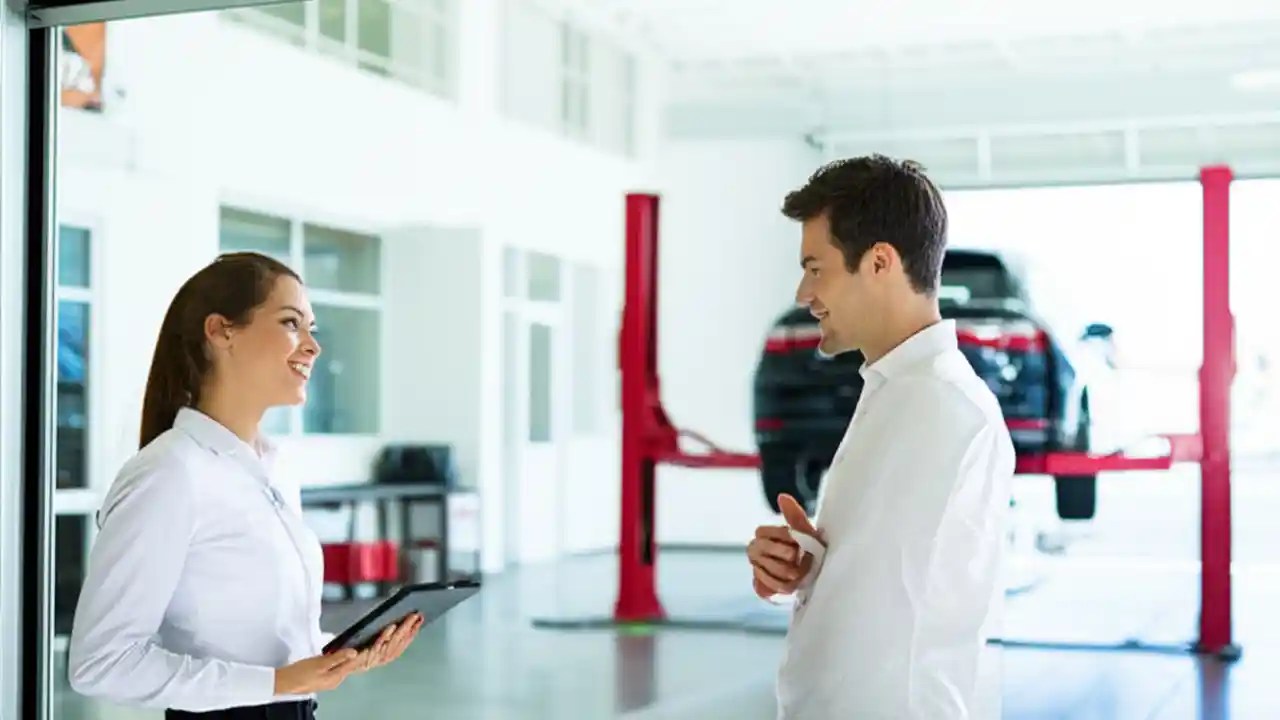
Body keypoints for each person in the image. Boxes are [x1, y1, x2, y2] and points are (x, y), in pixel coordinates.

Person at [68, 252, 422, 718]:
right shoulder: (170, 473)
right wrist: (277, 682)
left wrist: (338, 654)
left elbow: (261, 638)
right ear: (220, 331)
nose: (313, 346)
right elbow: (100, 663)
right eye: (291, 323)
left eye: (312, 329)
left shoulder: (272, 468)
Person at [746, 156, 1016, 719]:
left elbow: (904, 617)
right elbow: (890, 579)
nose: (803, 292)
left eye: (816, 268)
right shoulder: (895, 390)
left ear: (879, 262)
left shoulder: (940, 405)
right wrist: (803, 564)